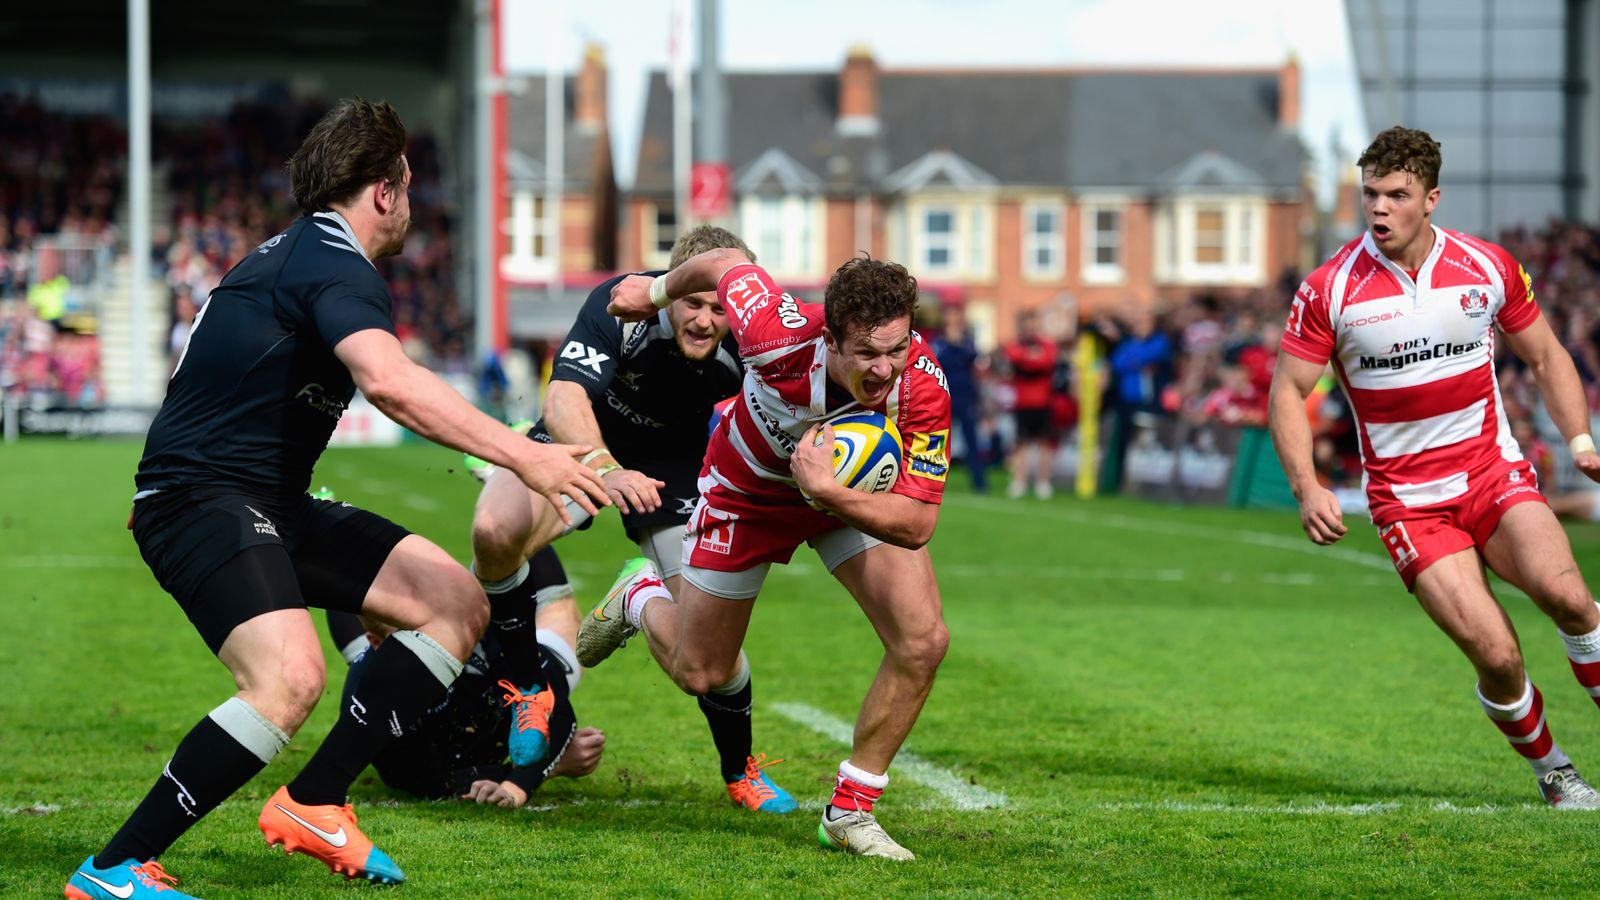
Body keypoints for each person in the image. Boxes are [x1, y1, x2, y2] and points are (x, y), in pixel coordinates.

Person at [65, 99, 609, 900]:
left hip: (261, 499)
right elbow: (391, 383)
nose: (411, 209)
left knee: (454, 601)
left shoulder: (297, 256)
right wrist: (527, 457)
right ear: (384, 193)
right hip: (205, 498)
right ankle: (114, 868)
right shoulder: (334, 262)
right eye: (409, 190)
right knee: (288, 678)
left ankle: (315, 801)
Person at [582, 250, 954, 860]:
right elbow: (725, 260)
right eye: (867, 354)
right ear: (830, 337)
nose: (886, 368)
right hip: (745, 493)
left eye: (898, 347)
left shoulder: (923, 387)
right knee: (700, 672)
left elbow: (918, 523)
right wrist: (653, 295)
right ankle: (640, 596)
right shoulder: (775, 333)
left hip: (843, 497)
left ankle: (850, 809)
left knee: (923, 640)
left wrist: (830, 492)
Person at [1269, 125, 1600, 809]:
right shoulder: (1331, 288)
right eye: (1370, 194)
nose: (1380, 208)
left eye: (1397, 194)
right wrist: (1307, 485)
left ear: (1432, 199)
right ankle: (1557, 774)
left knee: (1570, 597)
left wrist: (1579, 441)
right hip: (1410, 505)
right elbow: (1287, 391)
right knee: (1499, 655)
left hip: (1492, 473)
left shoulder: (1485, 266)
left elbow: (1545, 356)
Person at [468, 224, 797, 814]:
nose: (704, 320)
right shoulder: (622, 304)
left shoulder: (757, 339)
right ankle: (532, 691)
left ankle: (736, 764)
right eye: (693, 303)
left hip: (679, 473)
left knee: (706, 662)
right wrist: (605, 468)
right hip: (583, 444)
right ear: (670, 289)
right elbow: (565, 399)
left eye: (721, 308)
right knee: (493, 534)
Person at [323, 547, 605, 809]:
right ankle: (330, 545)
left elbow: (554, 707)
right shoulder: (370, 702)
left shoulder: (474, 630)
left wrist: (517, 785)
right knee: (365, 661)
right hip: (388, 674)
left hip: (512, 659)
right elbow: (423, 781)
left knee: (559, 616)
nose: (432, 639)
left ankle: (517, 508)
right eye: (410, 633)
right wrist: (554, 765)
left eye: (429, 623)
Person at [931, 304, 989, 492]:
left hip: (966, 398)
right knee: (939, 439)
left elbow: (974, 359)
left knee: (971, 440)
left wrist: (958, 345)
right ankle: (931, 479)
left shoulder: (967, 342)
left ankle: (979, 482)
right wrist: (951, 345)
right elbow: (938, 362)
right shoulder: (939, 342)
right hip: (944, 397)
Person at [1001, 309, 1056, 498]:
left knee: (1044, 444)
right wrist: (1031, 357)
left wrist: (1028, 360)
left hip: (1042, 402)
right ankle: (1019, 481)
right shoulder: (1015, 345)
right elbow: (1014, 355)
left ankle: (1043, 482)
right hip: (1022, 403)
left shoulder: (1047, 345)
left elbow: (1046, 362)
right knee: (1021, 445)